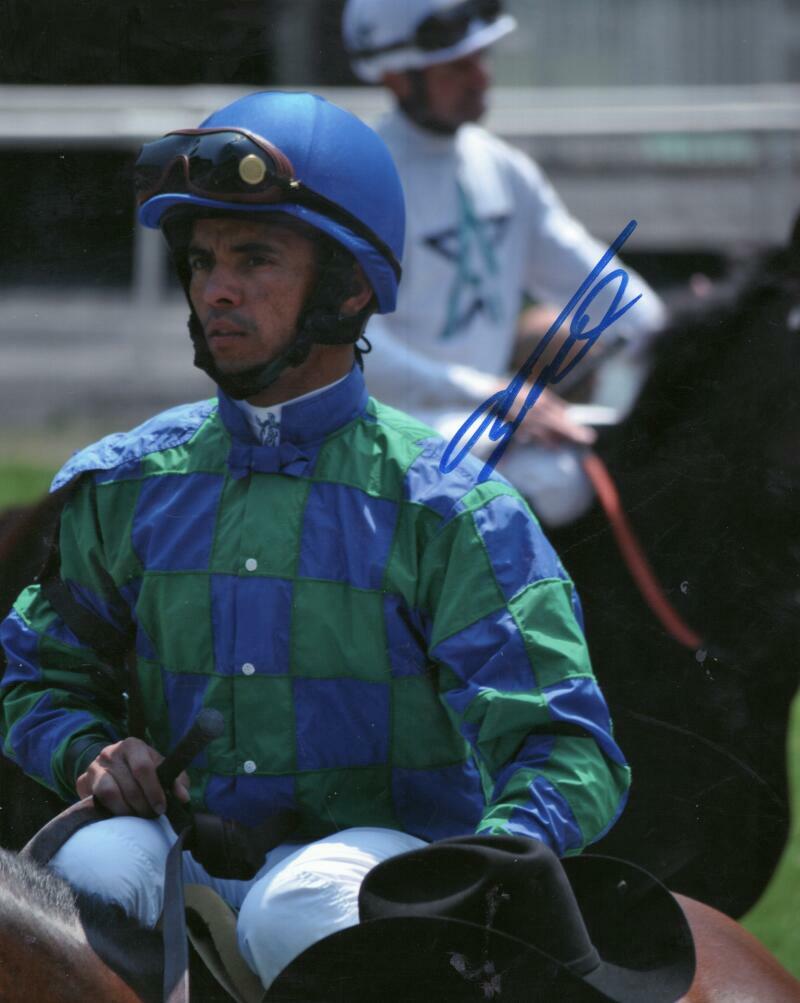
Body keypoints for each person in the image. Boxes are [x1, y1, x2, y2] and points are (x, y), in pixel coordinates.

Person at [0, 90, 629, 992]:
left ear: (349, 288)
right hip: (180, 847)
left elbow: (566, 745)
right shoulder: (126, 484)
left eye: (255, 259)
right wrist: (88, 750)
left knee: (296, 903)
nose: (216, 289)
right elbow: (37, 675)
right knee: (91, 866)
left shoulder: (454, 509)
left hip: (390, 873)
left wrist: (492, 858)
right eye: (203, 260)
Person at [342, 0, 667, 527]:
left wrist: (687, 334)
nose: (482, 77)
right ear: (396, 77)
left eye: (481, 58)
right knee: (545, 479)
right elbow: (350, 349)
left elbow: (615, 298)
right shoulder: (357, 180)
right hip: (385, 432)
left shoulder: (505, 169)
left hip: (485, 424)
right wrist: (490, 391)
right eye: (457, 67)